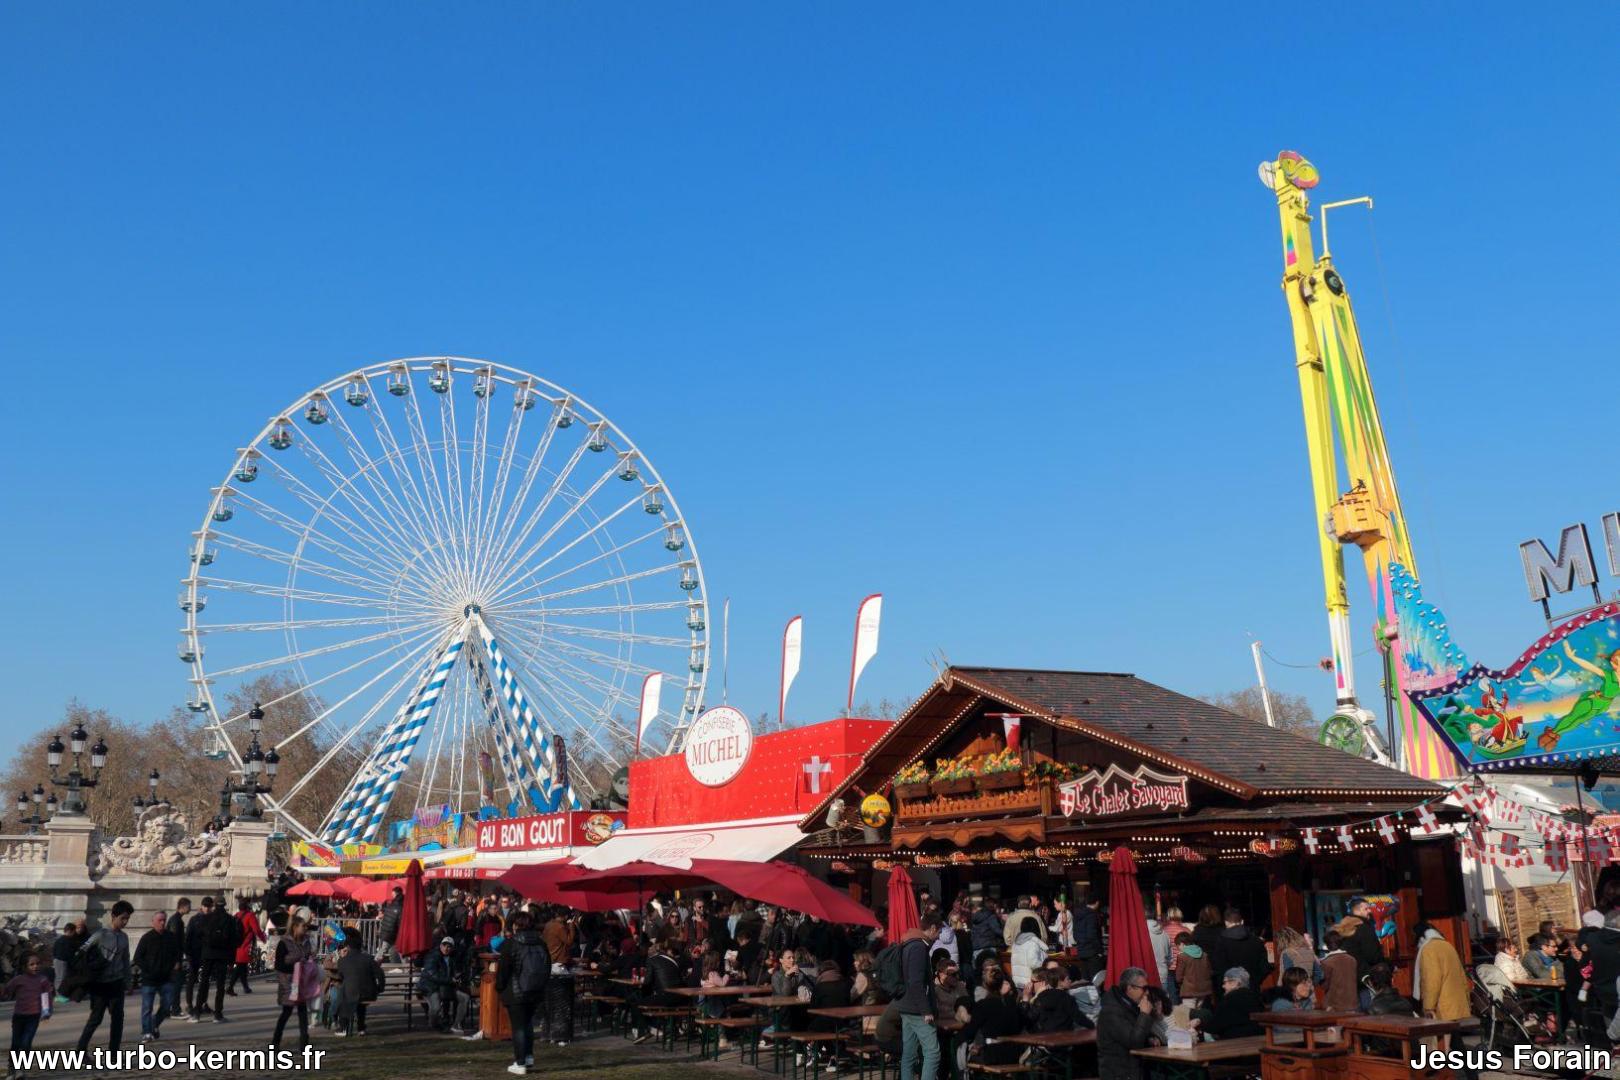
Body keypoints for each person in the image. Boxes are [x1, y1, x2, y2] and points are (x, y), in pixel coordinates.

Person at [76, 900, 133, 1054]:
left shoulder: (124, 937)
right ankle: (80, 1051)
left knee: (118, 1020)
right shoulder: (101, 934)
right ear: (113, 916)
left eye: (127, 919)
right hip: (100, 984)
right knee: (95, 1019)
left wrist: (128, 982)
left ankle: (113, 1053)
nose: (125, 922)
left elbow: (125, 960)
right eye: (123, 918)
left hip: (116, 983)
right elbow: (82, 951)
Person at [497, 910, 549, 1074]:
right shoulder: (541, 943)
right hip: (535, 990)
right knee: (527, 1024)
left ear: (515, 925)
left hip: (516, 991)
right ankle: (527, 1057)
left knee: (519, 1027)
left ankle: (520, 1063)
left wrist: (499, 987)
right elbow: (547, 965)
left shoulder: (511, 944)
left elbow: (503, 970)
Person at [897, 913, 942, 1080]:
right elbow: (915, 982)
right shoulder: (918, 947)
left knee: (909, 1054)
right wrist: (926, 1010)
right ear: (932, 928)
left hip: (905, 1005)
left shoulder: (908, 943)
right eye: (939, 932)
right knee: (933, 1052)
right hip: (917, 1009)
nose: (938, 937)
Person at [1096, 967, 1157, 1080]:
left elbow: (1136, 1031)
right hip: (1120, 1073)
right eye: (1144, 988)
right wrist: (1144, 1015)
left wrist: (1150, 1038)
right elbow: (1134, 1042)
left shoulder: (1129, 1005)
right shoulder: (1112, 1011)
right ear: (1130, 988)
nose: (1147, 992)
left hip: (1134, 1069)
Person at [959, 961, 1025, 1065]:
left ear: (985, 985)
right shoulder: (1011, 1002)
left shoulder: (984, 1005)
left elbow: (969, 1032)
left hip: (993, 1055)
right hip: (1015, 1053)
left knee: (957, 1047)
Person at [133, 911, 181, 1042]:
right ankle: (147, 1031)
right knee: (147, 1007)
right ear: (153, 922)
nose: (162, 922)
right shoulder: (147, 938)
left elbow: (176, 953)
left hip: (166, 978)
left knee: (167, 1005)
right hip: (150, 979)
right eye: (159, 920)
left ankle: (154, 1024)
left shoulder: (170, 937)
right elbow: (137, 957)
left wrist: (175, 964)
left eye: (164, 920)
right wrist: (148, 969)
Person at [270, 916, 315, 1050]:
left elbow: (308, 957)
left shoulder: (306, 942)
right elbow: (279, 965)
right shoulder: (284, 943)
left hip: (302, 982)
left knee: (302, 1013)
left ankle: (304, 1043)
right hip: (288, 983)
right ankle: (275, 1042)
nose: (306, 929)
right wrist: (296, 966)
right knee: (286, 1013)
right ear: (295, 927)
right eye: (303, 926)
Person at [1413, 922, 1469, 1025]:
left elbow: (1432, 980)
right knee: (1452, 1037)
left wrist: (1429, 1006)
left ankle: (1423, 1043)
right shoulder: (1447, 945)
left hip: (1441, 1006)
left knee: (1430, 1038)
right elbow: (1461, 973)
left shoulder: (1428, 949)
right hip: (1454, 1002)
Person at [3, 951, 53, 1064]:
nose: (36, 966)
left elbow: (46, 996)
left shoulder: (43, 980)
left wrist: (46, 1011)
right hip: (19, 1016)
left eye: (37, 963)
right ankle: (12, 1068)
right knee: (16, 1042)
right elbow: (6, 991)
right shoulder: (18, 979)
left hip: (34, 1017)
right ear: (24, 966)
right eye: (32, 964)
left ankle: (21, 1067)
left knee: (26, 1042)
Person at [199, 894, 241, 1022]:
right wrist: (232, 959)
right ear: (225, 905)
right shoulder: (230, 919)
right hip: (222, 955)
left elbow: (200, 936)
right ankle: (218, 1014)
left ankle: (196, 1012)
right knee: (220, 985)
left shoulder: (206, 918)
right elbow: (234, 940)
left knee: (204, 983)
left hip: (208, 954)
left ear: (214, 905)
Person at [333, 936, 384, 1037]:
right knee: (359, 999)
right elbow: (380, 975)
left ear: (348, 947)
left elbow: (340, 976)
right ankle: (361, 1027)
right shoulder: (369, 959)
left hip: (350, 994)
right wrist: (380, 988)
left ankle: (343, 1026)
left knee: (344, 992)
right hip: (369, 993)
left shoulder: (342, 961)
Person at [1210, 908, 1268, 996]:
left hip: (1229, 991)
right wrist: (1254, 981)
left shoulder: (1220, 942)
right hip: (1252, 989)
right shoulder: (1256, 941)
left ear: (1226, 922)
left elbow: (1217, 967)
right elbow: (1264, 967)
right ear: (1242, 922)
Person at [1196, 968, 1263, 1039]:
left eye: (1225, 982)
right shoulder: (1254, 997)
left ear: (1235, 983)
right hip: (1257, 1038)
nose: (1223, 986)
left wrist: (1200, 1025)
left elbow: (1214, 1026)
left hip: (1235, 1041)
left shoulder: (1230, 999)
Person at [419, 937, 466, 1031]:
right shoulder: (433, 956)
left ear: (452, 948)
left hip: (446, 986)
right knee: (436, 1008)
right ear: (440, 946)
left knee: (464, 998)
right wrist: (450, 980)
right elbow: (433, 975)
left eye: (449, 946)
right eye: (444, 945)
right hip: (431, 986)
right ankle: (434, 1025)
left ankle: (456, 1024)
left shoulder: (453, 957)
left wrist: (458, 976)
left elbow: (457, 970)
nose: (446, 948)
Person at [1336, 898, 1384, 984]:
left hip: (1346, 977)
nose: (1370, 911)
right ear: (1357, 910)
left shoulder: (1343, 928)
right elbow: (1373, 956)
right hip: (1364, 977)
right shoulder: (1363, 928)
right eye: (1366, 908)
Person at [1024, 966, 1086, 1032]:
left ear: (1043, 982)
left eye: (1033, 981)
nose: (1030, 984)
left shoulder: (1047, 997)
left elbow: (1028, 1020)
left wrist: (1026, 999)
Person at [184, 897, 213, 1019]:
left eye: (209, 906)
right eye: (205, 906)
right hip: (195, 954)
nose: (207, 908)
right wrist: (188, 953)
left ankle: (203, 1002)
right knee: (192, 979)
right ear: (202, 906)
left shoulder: (212, 919)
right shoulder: (194, 919)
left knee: (205, 981)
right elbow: (188, 937)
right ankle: (190, 1004)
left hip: (206, 953)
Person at [229, 897, 265, 995]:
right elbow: (256, 930)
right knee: (240, 967)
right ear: (248, 907)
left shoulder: (236, 916)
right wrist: (263, 939)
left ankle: (246, 987)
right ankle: (230, 987)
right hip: (245, 945)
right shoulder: (250, 916)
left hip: (237, 945)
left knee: (243, 968)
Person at [1268, 966, 1316, 1036]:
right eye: (1304, 983)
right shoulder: (1280, 1003)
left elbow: (1311, 1022)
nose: (1309, 986)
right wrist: (1307, 1028)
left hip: (1303, 1039)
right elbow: (1281, 1027)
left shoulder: (1306, 1001)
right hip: (1283, 1042)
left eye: (1309, 982)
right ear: (1292, 986)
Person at [1319, 930, 1357, 1012]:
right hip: (1352, 1004)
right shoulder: (1352, 959)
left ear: (1327, 945)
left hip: (1334, 1006)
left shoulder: (1326, 962)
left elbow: (1324, 986)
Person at [1173, 932, 1212, 1006]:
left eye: (1177, 946)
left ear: (1182, 944)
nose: (1178, 948)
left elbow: (1178, 977)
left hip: (1189, 991)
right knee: (1198, 1014)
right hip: (1203, 990)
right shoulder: (1204, 955)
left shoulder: (1182, 956)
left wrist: (1180, 985)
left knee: (1189, 1014)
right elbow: (1209, 972)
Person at [1009, 923, 1048, 993]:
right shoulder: (1032, 943)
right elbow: (1033, 964)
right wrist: (1044, 964)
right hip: (1029, 984)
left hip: (1017, 982)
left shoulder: (1016, 943)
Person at [1072, 896, 1103, 979]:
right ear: (1097, 902)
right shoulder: (1092, 915)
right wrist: (1099, 951)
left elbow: (1074, 934)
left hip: (1081, 950)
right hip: (1092, 951)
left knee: (1085, 978)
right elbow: (1091, 935)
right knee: (1096, 979)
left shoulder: (1077, 915)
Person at [51, 922, 80, 1003]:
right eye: (74, 932)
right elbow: (70, 953)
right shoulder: (67, 941)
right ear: (70, 931)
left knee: (59, 977)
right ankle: (59, 996)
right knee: (61, 978)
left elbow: (54, 950)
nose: (74, 934)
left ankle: (59, 995)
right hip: (62, 961)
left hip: (57, 960)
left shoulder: (59, 939)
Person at [1145, 915, 1173, 993]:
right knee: (1162, 1003)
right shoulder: (1165, 934)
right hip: (1162, 974)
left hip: (1145, 976)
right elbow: (1170, 959)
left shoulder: (1140, 934)